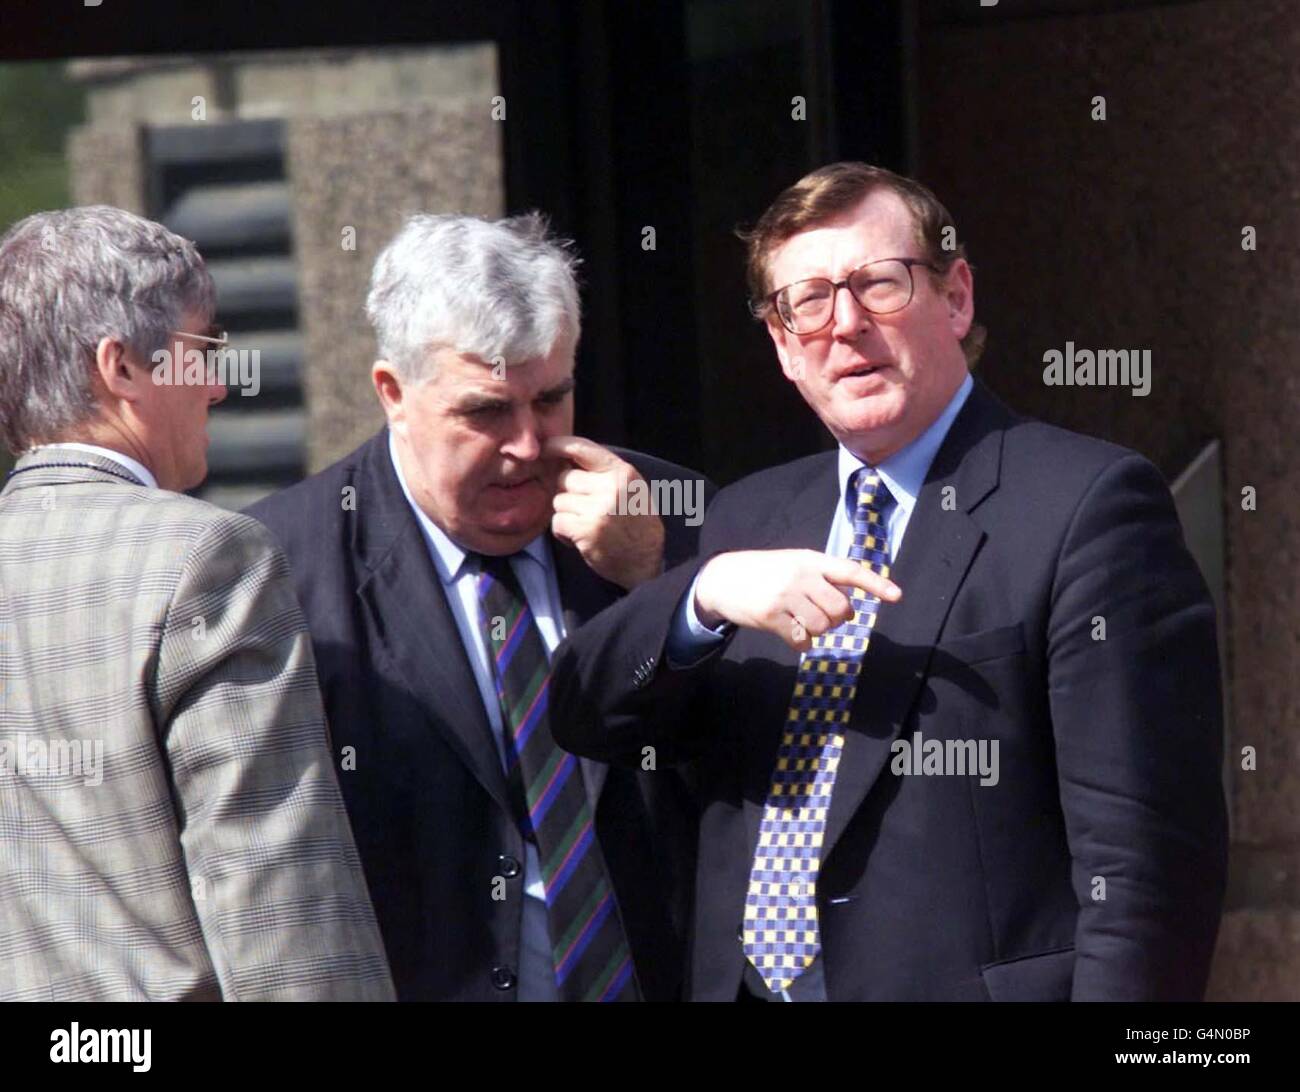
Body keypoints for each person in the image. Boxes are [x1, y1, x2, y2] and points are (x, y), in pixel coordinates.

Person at [550, 162, 1229, 1002]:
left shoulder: (1086, 506)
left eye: (880, 284)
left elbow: (1148, 867)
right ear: (781, 347)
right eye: (808, 302)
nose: (846, 325)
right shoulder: (746, 520)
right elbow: (587, 713)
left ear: (958, 299)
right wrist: (699, 594)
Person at [246, 212, 708, 1001]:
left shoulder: (669, 515)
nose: (528, 445)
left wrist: (655, 584)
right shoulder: (283, 567)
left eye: (552, 400)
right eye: (487, 412)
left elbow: (749, 767)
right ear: (393, 393)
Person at [0, 206, 394, 1001]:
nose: (218, 385)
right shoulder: (206, 557)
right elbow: (280, 900)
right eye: (202, 351)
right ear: (119, 368)